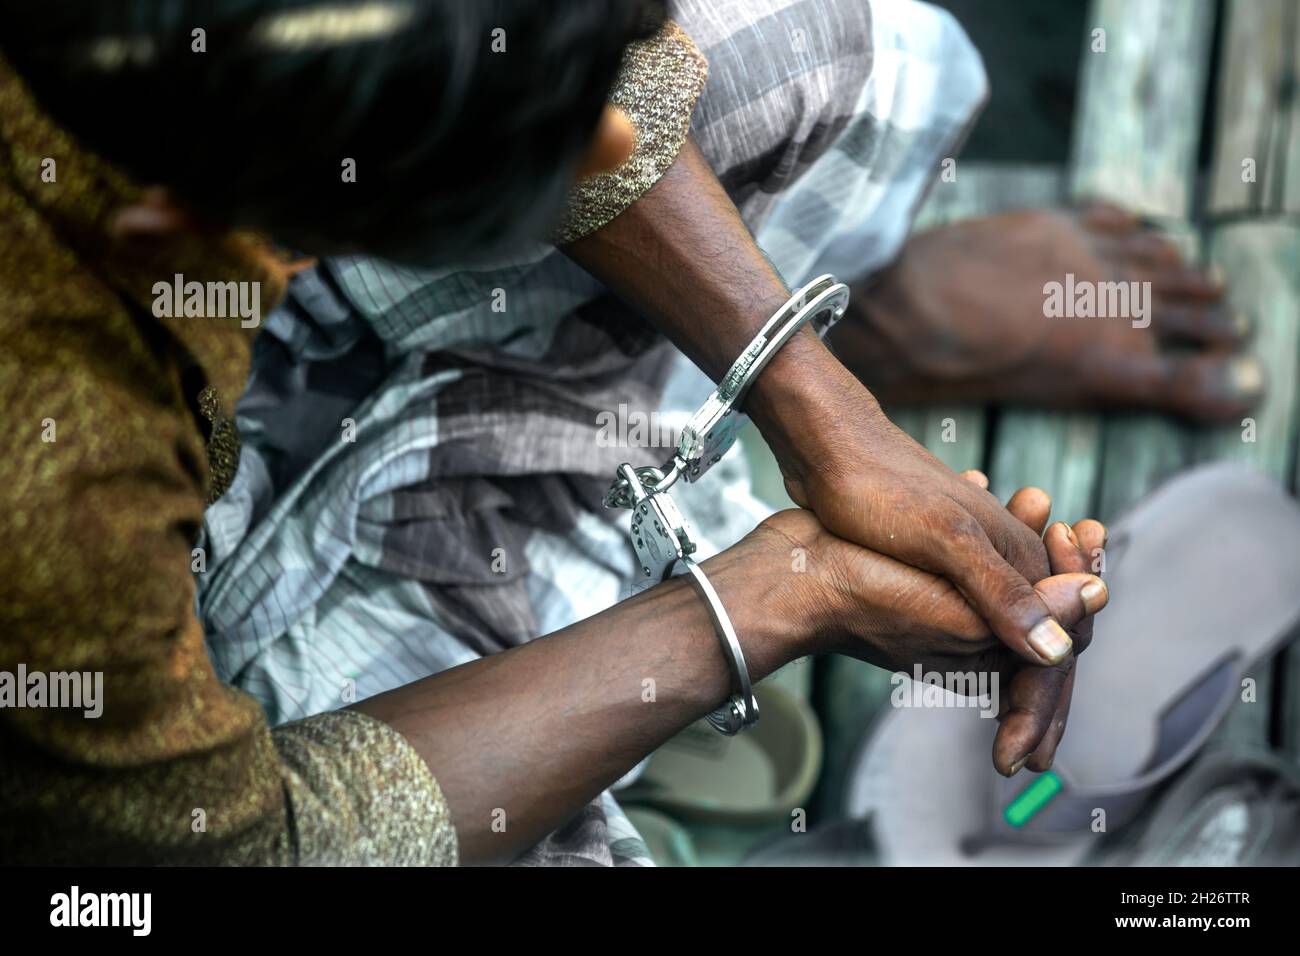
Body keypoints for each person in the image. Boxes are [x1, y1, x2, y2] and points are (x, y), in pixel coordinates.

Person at [0, 0, 1122, 865]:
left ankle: (854, 308)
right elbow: (233, 846)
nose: (629, 145)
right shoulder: (59, 497)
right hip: (153, 641)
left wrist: (816, 398)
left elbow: (592, 70)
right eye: (556, 151)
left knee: (795, 36)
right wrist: (780, 594)